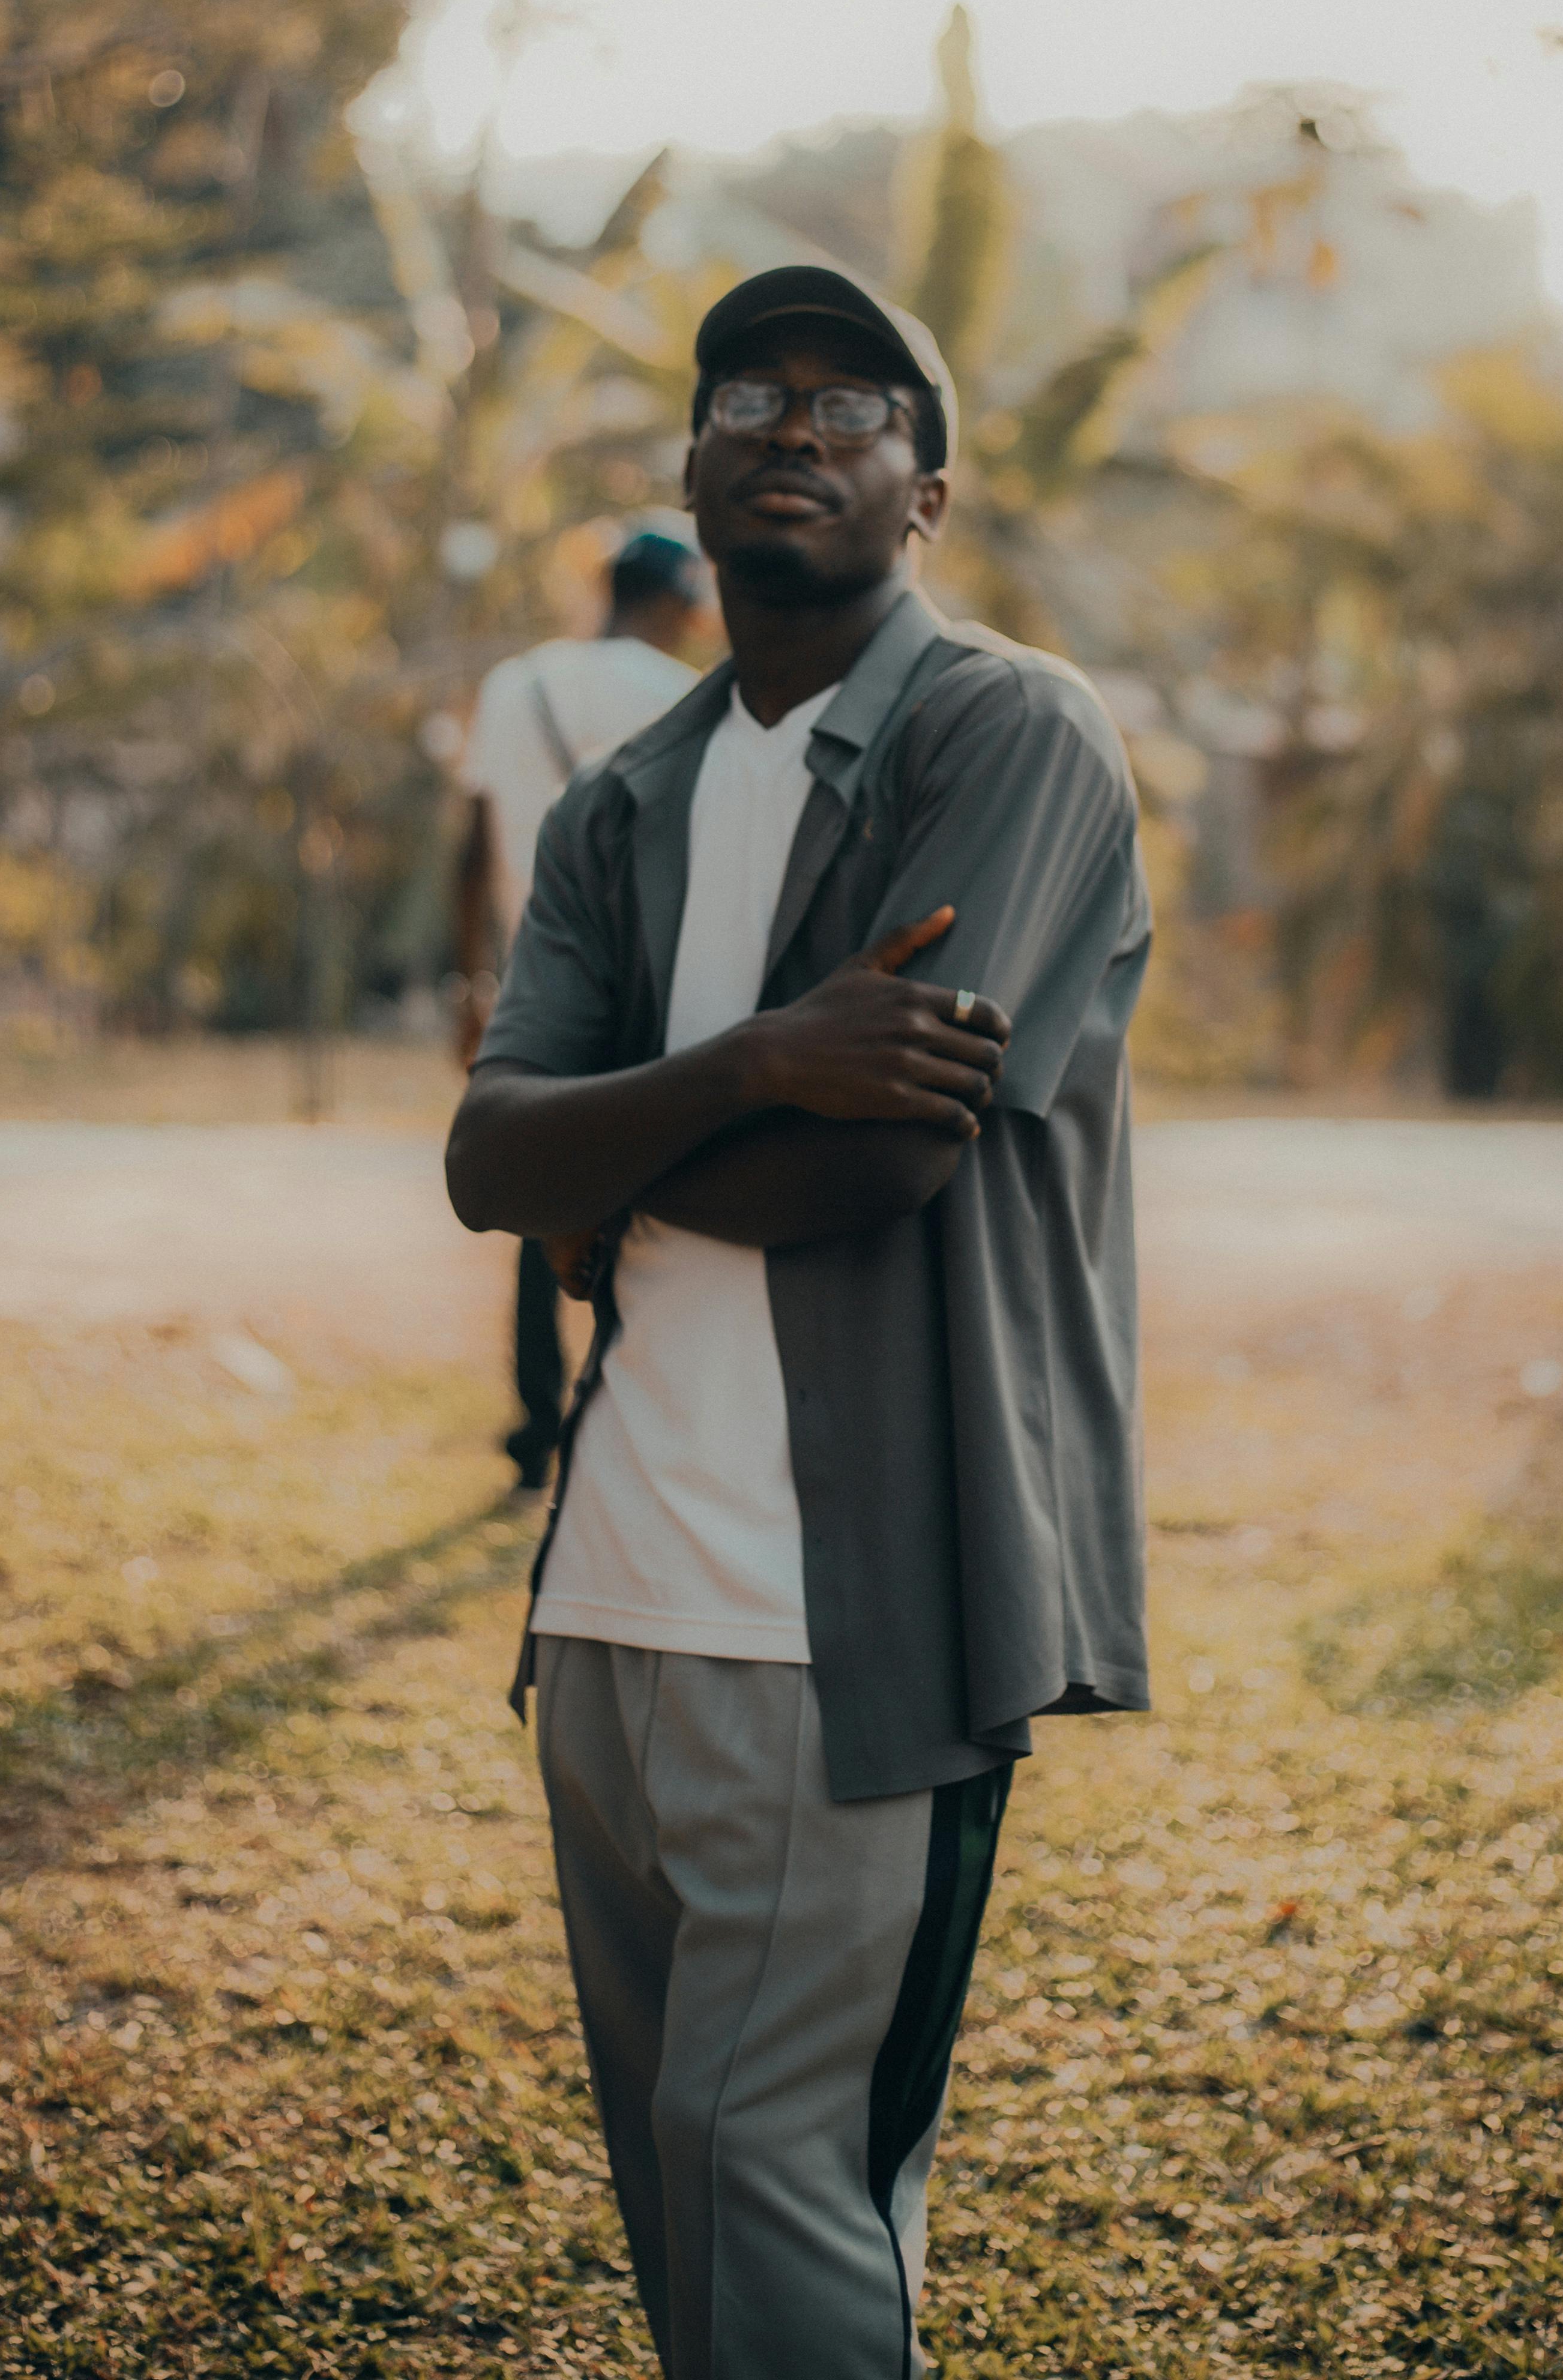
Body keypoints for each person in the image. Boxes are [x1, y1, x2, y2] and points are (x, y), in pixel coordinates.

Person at [445, 265, 1149, 2380]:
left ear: (925, 489)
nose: (795, 422)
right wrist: (756, 1065)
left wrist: (612, 1153)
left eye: (857, 404)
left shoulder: (1001, 731)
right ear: (688, 455)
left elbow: (879, 1171)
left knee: (775, 2163)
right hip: (608, 1611)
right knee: (696, 2190)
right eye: (750, 386)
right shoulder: (621, 801)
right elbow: (490, 1164)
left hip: (841, 1611)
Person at [454, 527, 707, 1483]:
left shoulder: (514, 684)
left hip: (531, 973)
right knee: (641, 1185)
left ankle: (535, 1425)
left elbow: (472, 846)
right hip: (649, 980)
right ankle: (628, 1410)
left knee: (536, 1187)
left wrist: (468, 981)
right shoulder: (685, 699)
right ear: (680, 599)